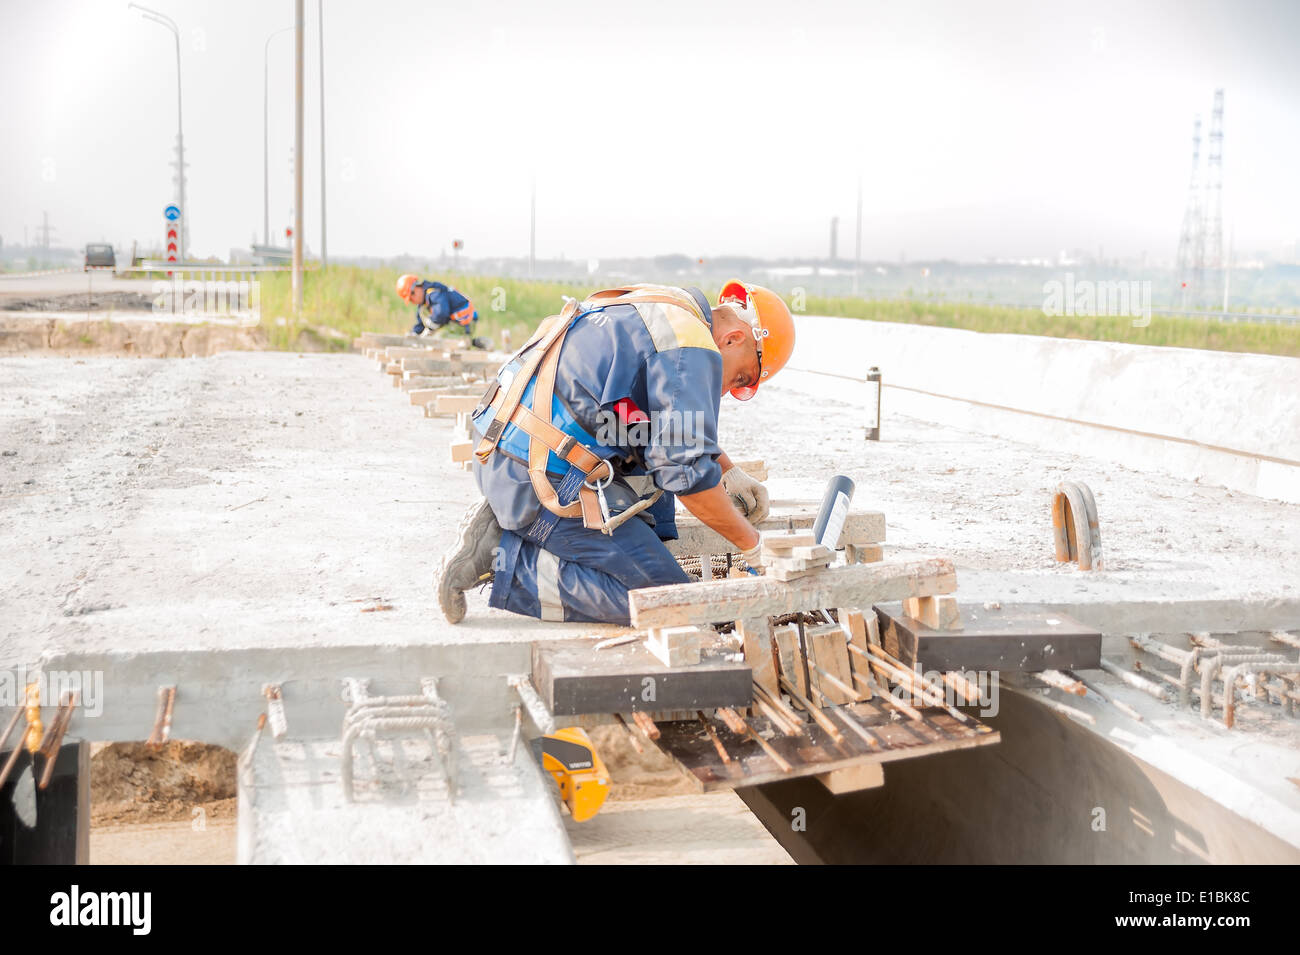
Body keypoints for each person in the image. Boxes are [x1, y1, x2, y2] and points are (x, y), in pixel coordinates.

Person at [434, 280, 795, 626]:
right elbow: (685, 474)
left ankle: (620, 548)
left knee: (658, 495)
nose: (728, 391)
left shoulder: (666, 306)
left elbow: (659, 420)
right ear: (734, 338)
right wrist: (754, 545)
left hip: (503, 451)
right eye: (741, 379)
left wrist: (727, 470)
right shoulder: (691, 348)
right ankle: (505, 560)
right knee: (675, 603)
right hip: (539, 480)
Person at [395, 274, 491, 349]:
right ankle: (462, 342)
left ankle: (470, 342)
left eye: (411, 298)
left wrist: (430, 330)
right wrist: (414, 334)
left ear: (416, 288)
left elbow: (441, 314)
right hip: (452, 324)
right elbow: (421, 324)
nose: (412, 301)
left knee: (438, 339)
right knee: (430, 332)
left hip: (465, 323)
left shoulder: (434, 293)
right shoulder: (423, 305)